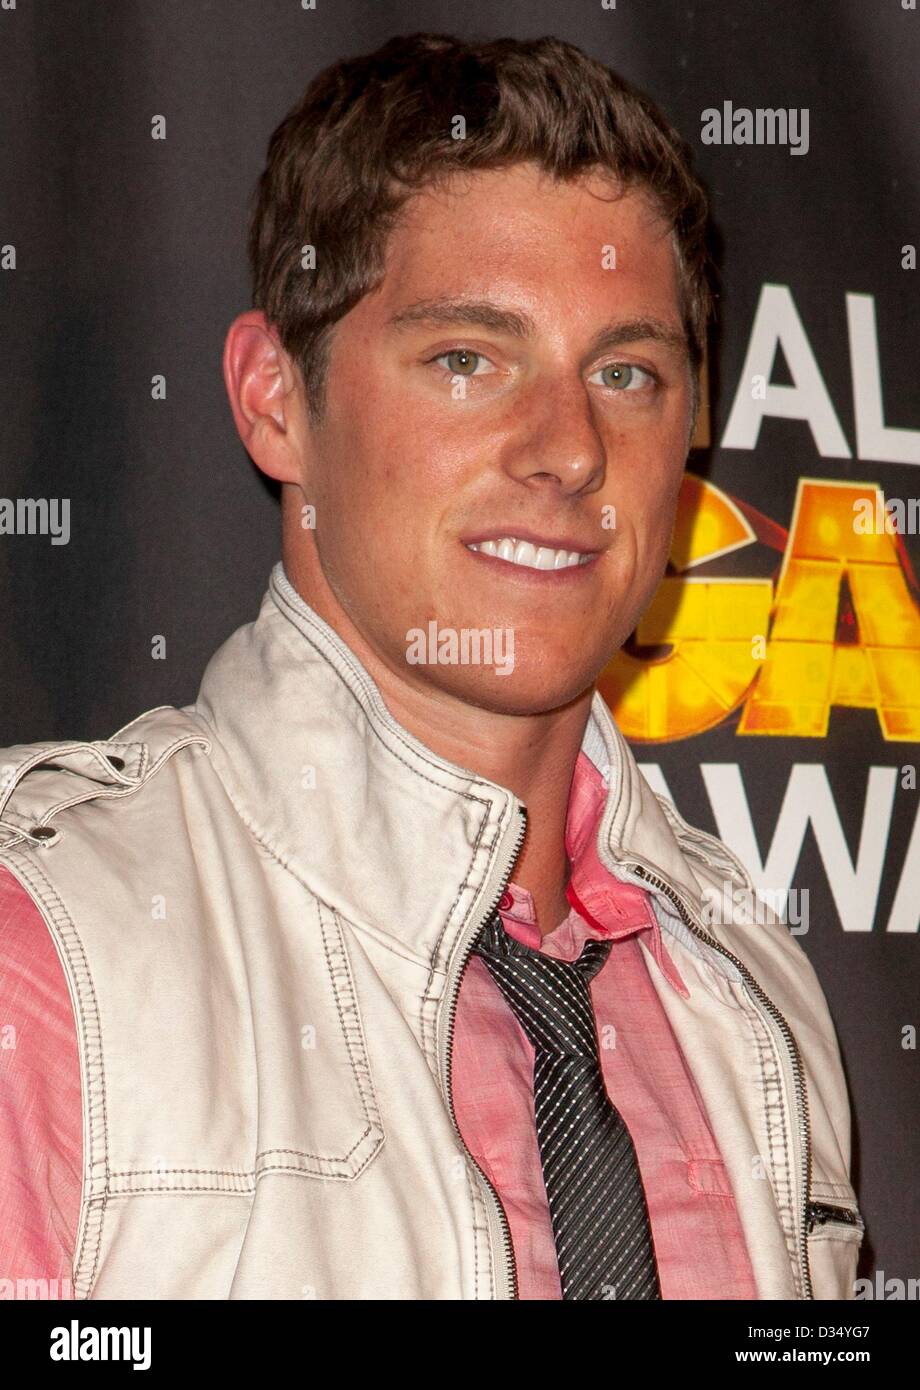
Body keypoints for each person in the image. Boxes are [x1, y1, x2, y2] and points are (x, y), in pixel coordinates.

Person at [0, 31, 863, 1300]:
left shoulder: (749, 986)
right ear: (275, 399)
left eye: (624, 372)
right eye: (466, 358)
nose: (565, 448)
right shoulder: (50, 946)